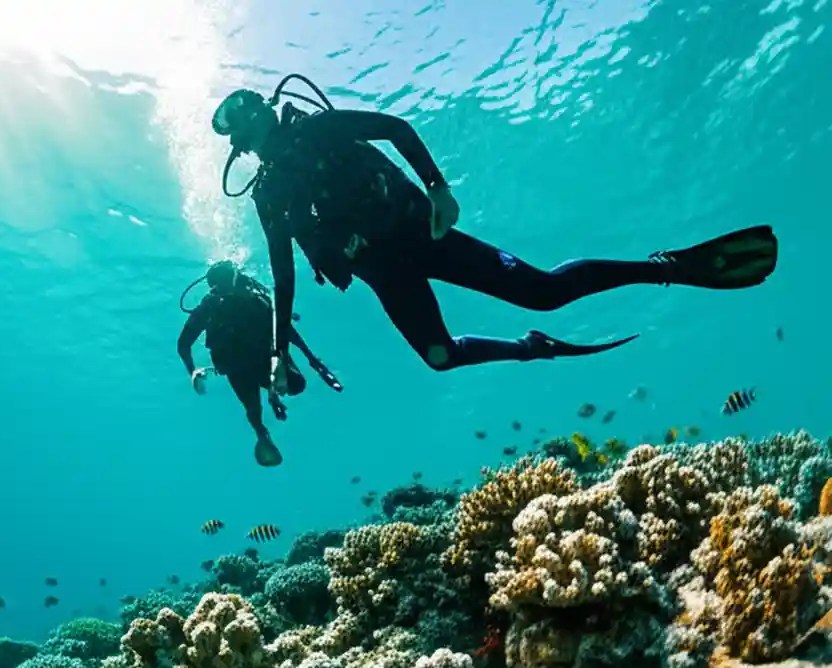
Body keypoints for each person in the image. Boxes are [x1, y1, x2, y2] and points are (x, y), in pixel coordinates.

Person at [209, 75, 779, 396]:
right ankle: (533, 349)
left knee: (547, 291)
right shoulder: (268, 194)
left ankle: (666, 267)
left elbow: (393, 128)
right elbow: (283, 275)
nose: (260, 127)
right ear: (244, 146)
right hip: (383, 271)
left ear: (265, 111)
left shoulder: (318, 129)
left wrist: (438, 188)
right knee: (439, 356)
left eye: (255, 112)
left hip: (421, 231)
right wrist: (281, 351)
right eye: (247, 126)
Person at [177, 260, 342, 467]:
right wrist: (313, 361)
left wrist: (191, 371)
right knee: (263, 401)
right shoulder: (226, 303)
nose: (224, 288)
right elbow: (285, 329)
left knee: (267, 400)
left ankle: (267, 415)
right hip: (247, 362)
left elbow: (183, 345)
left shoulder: (236, 301)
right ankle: (266, 420)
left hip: (249, 361)